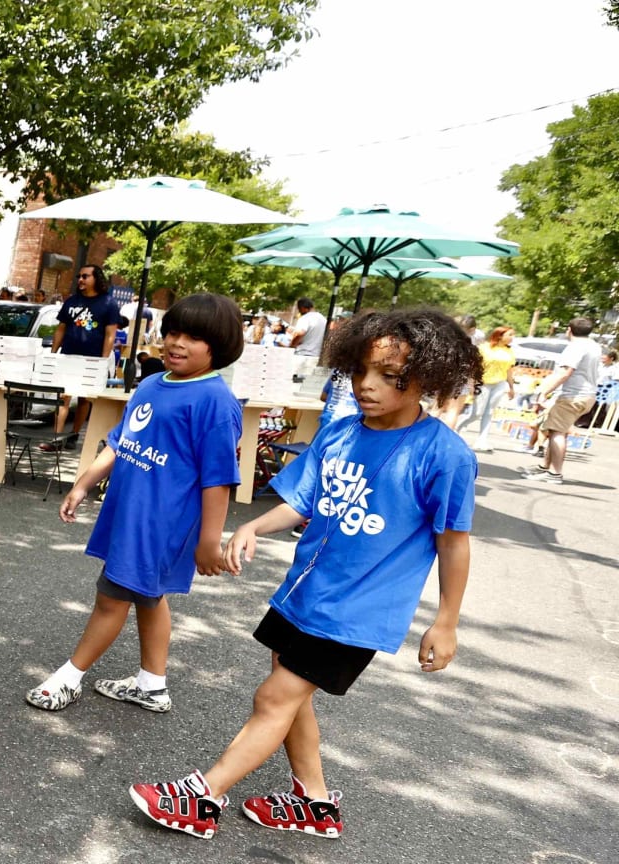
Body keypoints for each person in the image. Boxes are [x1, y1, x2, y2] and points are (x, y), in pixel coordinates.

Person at [129, 308, 478, 842]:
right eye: (361, 370)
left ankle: (204, 797)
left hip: (356, 611)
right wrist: (253, 529)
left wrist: (446, 621)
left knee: (274, 698)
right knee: (291, 699)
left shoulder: (444, 455)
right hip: (303, 593)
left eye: (391, 376)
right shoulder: (339, 431)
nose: (367, 385)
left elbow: (453, 542)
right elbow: (303, 502)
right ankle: (314, 803)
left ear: (427, 379)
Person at [25, 293, 243, 715]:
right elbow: (123, 441)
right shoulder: (151, 383)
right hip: (129, 513)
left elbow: (219, 480)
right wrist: (84, 482)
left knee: (112, 597)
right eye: (174, 332)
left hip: (161, 524)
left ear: (217, 346)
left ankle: (68, 678)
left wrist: (209, 541)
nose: (177, 343)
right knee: (149, 595)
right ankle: (153, 685)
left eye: (193, 338)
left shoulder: (215, 402)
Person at [43, 265, 119, 450]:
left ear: (96, 279)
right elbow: (61, 328)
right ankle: (56, 437)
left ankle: (73, 434)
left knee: (84, 399)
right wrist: (53, 353)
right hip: (68, 356)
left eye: (85, 276)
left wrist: (102, 360)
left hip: (92, 359)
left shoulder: (108, 303)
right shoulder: (72, 301)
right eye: (79, 276)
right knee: (64, 397)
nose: (81, 280)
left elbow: (110, 334)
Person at [521, 317, 603, 485]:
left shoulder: (575, 347)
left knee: (558, 433)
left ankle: (555, 473)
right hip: (587, 395)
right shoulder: (594, 346)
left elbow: (565, 373)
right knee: (554, 429)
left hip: (573, 396)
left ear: (569, 330)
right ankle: (545, 467)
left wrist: (544, 392)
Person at [465, 326, 515, 452]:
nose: (512, 338)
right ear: (499, 335)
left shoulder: (509, 351)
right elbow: (474, 366)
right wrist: (472, 382)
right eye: (509, 335)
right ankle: (457, 428)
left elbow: (509, 370)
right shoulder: (484, 348)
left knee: (489, 412)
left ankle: (482, 440)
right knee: (477, 413)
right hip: (484, 382)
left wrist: (511, 386)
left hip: (500, 383)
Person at [287, 297, 326, 376]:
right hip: (316, 355)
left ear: (303, 308)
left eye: (299, 309)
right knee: (307, 385)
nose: (299, 312)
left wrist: (292, 345)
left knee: (296, 383)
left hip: (302, 355)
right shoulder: (323, 319)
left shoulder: (305, 318)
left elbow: (300, 333)